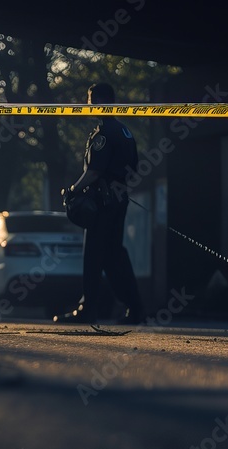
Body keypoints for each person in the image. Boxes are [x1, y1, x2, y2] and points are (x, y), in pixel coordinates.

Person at [59, 82, 144, 324]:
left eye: (89, 100)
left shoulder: (104, 133)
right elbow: (133, 170)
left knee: (94, 255)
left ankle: (88, 310)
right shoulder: (125, 131)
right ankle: (135, 308)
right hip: (119, 199)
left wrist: (74, 189)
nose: (88, 105)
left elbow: (95, 171)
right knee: (114, 255)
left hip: (102, 202)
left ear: (97, 101)